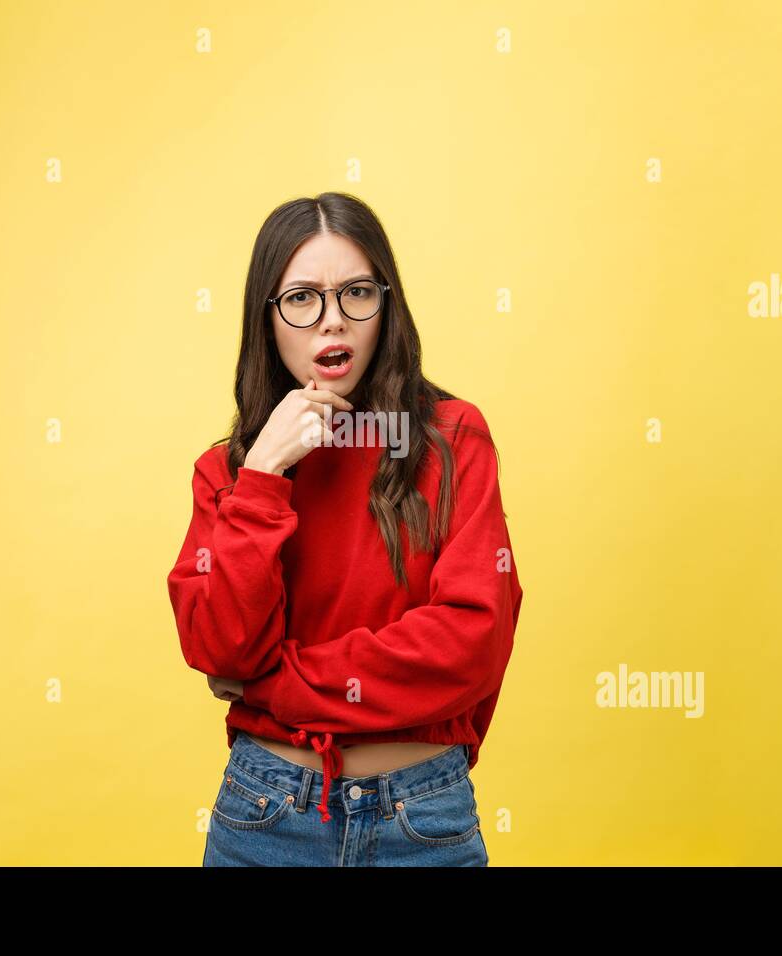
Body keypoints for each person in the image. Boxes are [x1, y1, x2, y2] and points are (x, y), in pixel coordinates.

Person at [167, 192, 522, 865]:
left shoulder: (453, 439)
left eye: (357, 292)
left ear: (386, 306)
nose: (333, 321)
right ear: (267, 320)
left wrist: (276, 687)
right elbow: (223, 649)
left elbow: (470, 642)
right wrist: (266, 474)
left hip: (423, 820)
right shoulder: (229, 473)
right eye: (302, 298)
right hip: (267, 817)